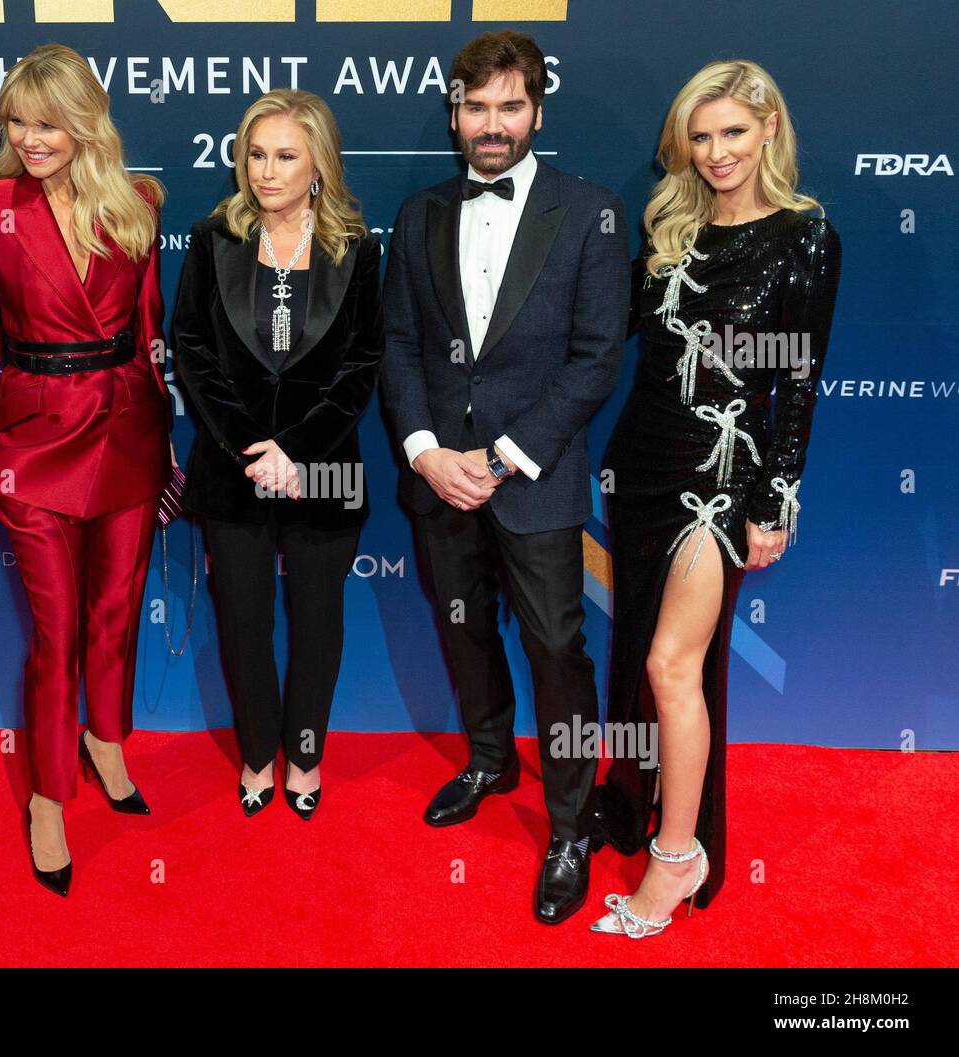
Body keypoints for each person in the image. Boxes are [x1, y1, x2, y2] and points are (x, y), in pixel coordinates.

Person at [379, 30, 628, 924]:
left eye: (509, 107)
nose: (492, 125)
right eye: (475, 107)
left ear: (536, 112)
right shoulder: (418, 216)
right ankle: (488, 756)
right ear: (455, 112)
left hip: (537, 477)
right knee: (465, 628)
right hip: (440, 476)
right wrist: (423, 450)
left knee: (557, 651)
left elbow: (596, 360)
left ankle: (569, 823)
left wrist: (504, 455)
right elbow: (400, 346)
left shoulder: (590, 212)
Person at [590, 59, 841, 937]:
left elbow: (798, 384)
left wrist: (773, 503)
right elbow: (599, 324)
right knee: (639, 657)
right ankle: (630, 802)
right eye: (700, 137)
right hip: (641, 465)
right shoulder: (674, 230)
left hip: (721, 476)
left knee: (670, 666)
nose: (716, 151)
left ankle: (678, 855)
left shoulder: (805, 236)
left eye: (732, 132)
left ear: (769, 129)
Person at [0, 44, 174, 897]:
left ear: (85, 121)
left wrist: (165, 442)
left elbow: (149, 331)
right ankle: (49, 796)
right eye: (16, 122)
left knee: (116, 611)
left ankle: (107, 743)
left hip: (125, 434)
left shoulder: (141, 202)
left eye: (48, 123)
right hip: (32, 442)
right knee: (58, 632)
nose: (31, 139)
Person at [171, 89, 384, 821]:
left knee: (318, 620)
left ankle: (305, 753)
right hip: (233, 470)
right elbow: (193, 352)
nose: (266, 171)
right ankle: (258, 752)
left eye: (285, 156)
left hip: (322, 469)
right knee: (244, 620)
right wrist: (247, 449)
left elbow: (362, 363)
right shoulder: (213, 238)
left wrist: (295, 449)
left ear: (319, 162)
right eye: (255, 154)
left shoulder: (357, 248)